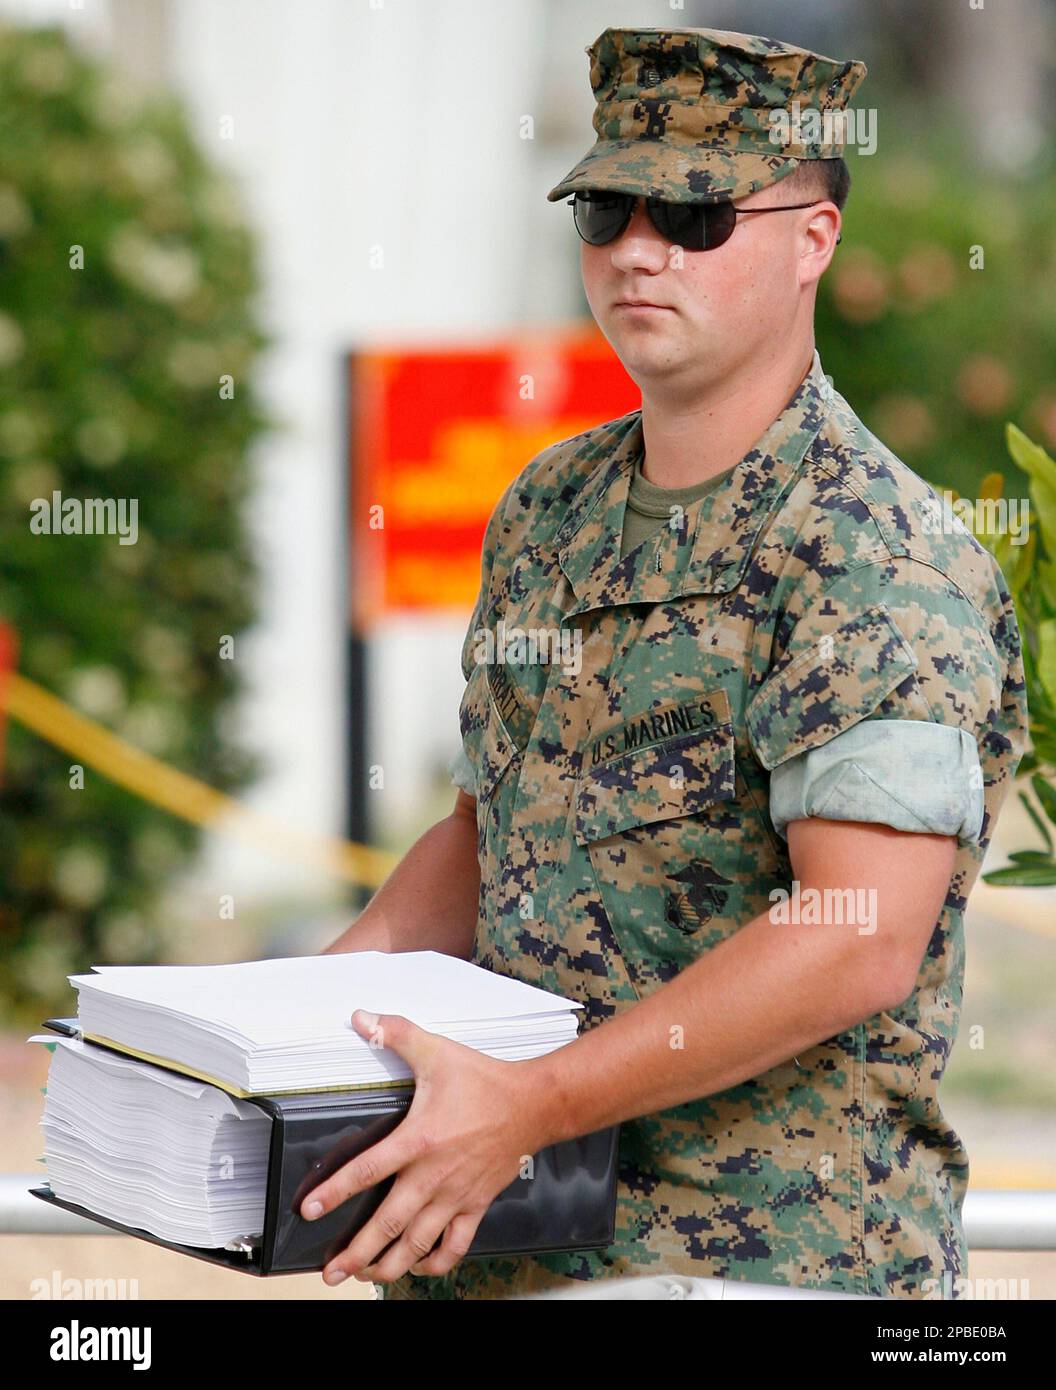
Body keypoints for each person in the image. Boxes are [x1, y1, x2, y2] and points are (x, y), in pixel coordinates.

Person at [306, 26, 1029, 1300]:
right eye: (608, 207)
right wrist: (283, 1032)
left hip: (757, 1265)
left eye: (697, 215)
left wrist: (531, 1104)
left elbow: (854, 936)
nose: (641, 247)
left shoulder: (873, 548)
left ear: (815, 239)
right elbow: (493, 838)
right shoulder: (550, 507)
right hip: (505, 1246)